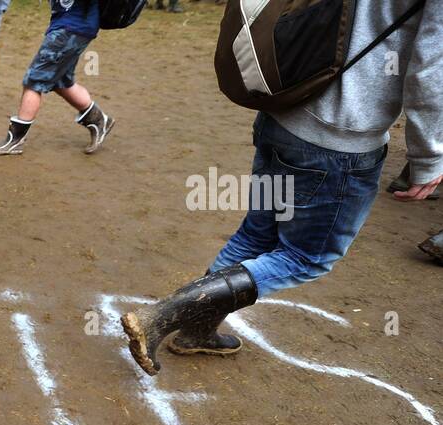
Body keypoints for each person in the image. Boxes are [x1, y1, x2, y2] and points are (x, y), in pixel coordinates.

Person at [121, 0, 442, 376]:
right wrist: (428, 159)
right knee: (307, 257)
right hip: (338, 141)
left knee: (255, 235)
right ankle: (162, 316)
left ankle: (196, 329)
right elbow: (431, 72)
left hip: (284, 109)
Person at [0, 0, 114, 155]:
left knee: (34, 81)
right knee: (61, 81)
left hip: (71, 26)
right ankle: (99, 120)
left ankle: (14, 140)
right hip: (74, 26)